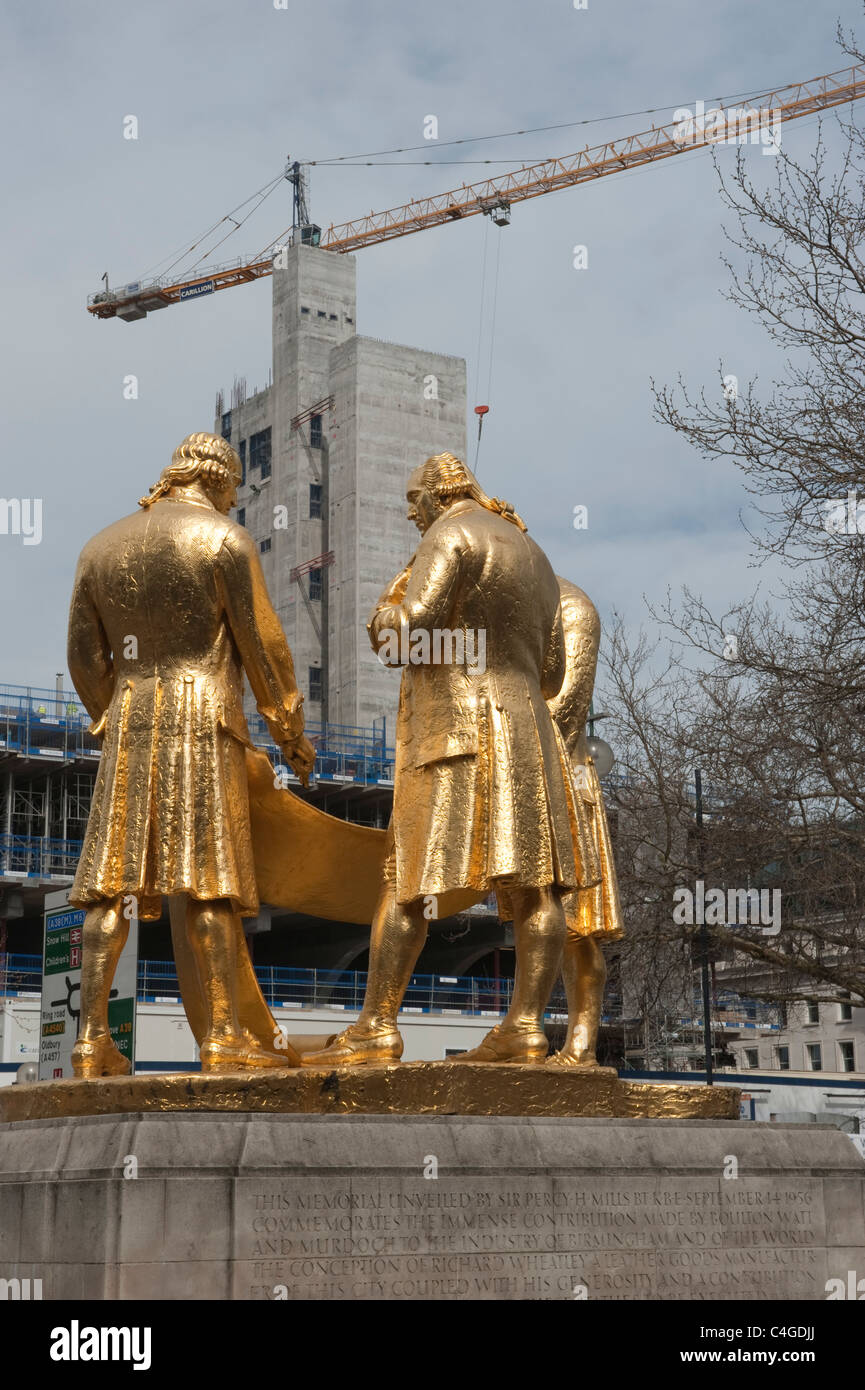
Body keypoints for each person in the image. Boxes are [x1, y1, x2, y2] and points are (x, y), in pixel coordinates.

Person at [302, 453, 600, 1067]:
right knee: (537, 889)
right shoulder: (535, 557)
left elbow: (409, 635)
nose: (412, 513)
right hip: (525, 736)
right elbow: (552, 673)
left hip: (456, 734)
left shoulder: (449, 534)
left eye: (414, 501)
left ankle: (376, 1027)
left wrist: (384, 614)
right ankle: (524, 1027)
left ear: (440, 494)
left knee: (409, 882)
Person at [67, 432, 314, 1076]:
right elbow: (262, 645)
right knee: (210, 882)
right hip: (204, 723)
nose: (236, 500)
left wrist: (115, 713)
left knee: (110, 889)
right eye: (235, 488)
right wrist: (288, 728)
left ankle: (91, 1039)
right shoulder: (223, 541)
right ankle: (223, 1036)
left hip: (129, 725)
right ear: (221, 479)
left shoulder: (100, 546)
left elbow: (83, 657)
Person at [546, 578, 624, 1067]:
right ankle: (527, 1030)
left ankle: (582, 1041)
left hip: (565, 781)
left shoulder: (565, 605)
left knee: (578, 924)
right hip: (520, 785)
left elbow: (567, 707)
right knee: (543, 921)